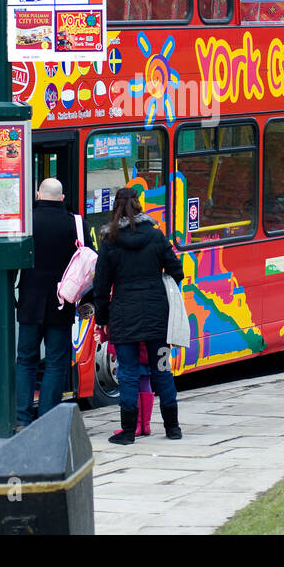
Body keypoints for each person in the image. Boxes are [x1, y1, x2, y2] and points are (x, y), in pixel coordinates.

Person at [91, 187, 185, 444]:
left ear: (116, 208)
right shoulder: (156, 236)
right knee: (162, 370)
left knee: (129, 373)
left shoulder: (109, 242)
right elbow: (177, 270)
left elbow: (101, 286)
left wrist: (102, 318)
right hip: (157, 317)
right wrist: (162, 286)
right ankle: (173, 428)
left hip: (123, 316)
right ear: (139, 206)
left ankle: (129, 431)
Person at [14, 178, 79, 427]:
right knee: (56, 361)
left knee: (26, 360)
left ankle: (22, 418)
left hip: (30, 303)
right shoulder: (76, 224)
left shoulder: (26, 221)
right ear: (62, 198)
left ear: (38, 195)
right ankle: (48, 419)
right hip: (62, 303)